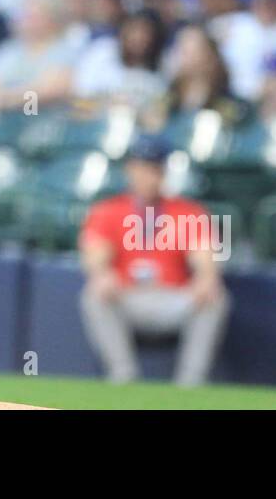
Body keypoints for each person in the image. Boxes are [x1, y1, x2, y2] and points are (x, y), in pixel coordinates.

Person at [77, 135, 231, 386]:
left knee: (215, 296)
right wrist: (102, 273)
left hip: (173, 297)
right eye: (142, 168)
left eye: (154, 169)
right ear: (129, 169)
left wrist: (207, 277)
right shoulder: (109, 210)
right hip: (128, 296)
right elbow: (94, 253)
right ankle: (122, 377)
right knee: (93, 294)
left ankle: (190, 384)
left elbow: (205, 255)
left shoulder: (186, 211)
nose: (148, 176)